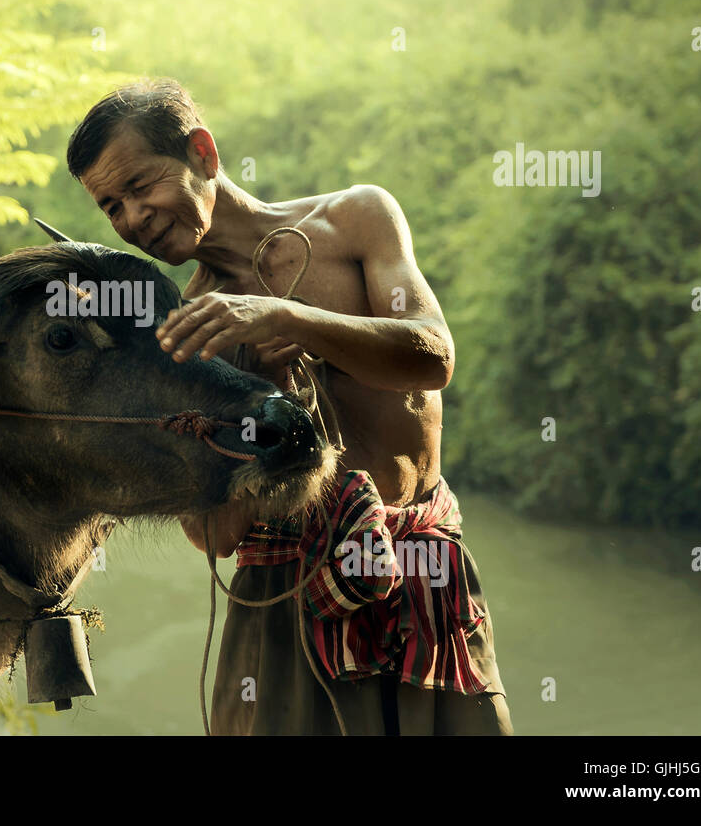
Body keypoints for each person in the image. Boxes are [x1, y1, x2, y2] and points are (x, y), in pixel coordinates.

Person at [65, 78, 512, 735]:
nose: (133, 218)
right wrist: (254, 402)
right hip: (287, 604)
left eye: (141, 186)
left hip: (423, 576)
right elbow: (215, 537)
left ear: (203, 154)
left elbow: (432, 358)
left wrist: (286, 318)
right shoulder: (185, 334)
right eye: (111, 207)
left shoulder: (355, 219)